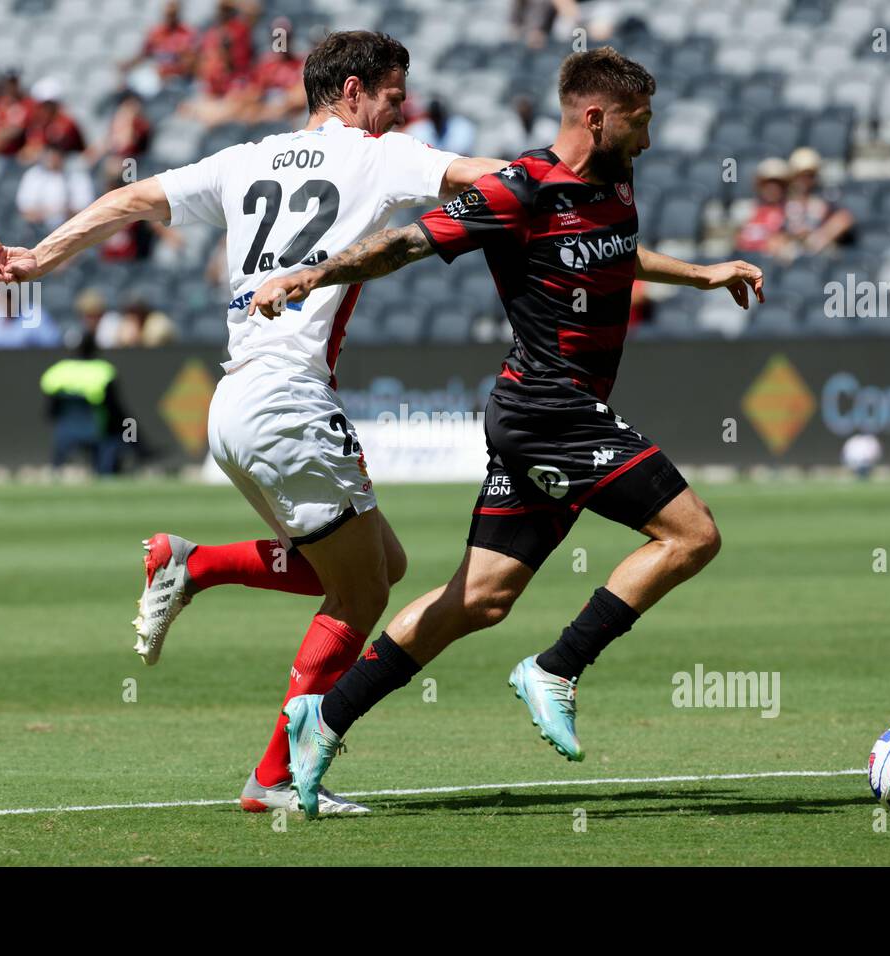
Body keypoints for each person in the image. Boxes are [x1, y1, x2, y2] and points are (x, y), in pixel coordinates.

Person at [0, 30, 507, 815]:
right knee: (358, 600)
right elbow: (491, 177)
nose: (403, 109)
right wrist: (571, 181)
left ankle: (192, 565)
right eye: (395, 95)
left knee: (382, 566)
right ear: (353, 91)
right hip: (290, 401)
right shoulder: (379, 154)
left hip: (237, 404)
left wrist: (38, 263)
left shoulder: (244, 157)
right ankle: (273, 779)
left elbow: (129, 200)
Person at [250, 46, 764, 818]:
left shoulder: (615, 179)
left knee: (479, 598)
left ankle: (323, 719)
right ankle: (558, 667)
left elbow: (616, 255)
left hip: (549, 416)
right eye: (640, 121)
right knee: (691, 535)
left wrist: (702, 274)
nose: (649, 139)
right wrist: (309, 275)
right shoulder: (519, 188)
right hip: (547, 410)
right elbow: (405, 243)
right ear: (596, 116)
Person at [40, 333, 128, 474]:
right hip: (97, 430)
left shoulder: (58, 371)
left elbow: (50, 411)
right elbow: (115, 410)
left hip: (66, 431)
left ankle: (56, 467)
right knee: (121, 430)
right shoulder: (103, 371)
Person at [782, 147, 854, 257]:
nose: (805, 180)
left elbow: (844, 219)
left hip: (821, 249)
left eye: (810, 175)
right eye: (801, 175)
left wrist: (819, 236)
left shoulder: (826, 197)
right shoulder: (785, 200)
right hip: (792, 249)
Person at [735, 157, 790, 256]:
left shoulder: (790, 211)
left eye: (778, 184)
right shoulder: (745, 209)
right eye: (767, 184)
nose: (772, 188)